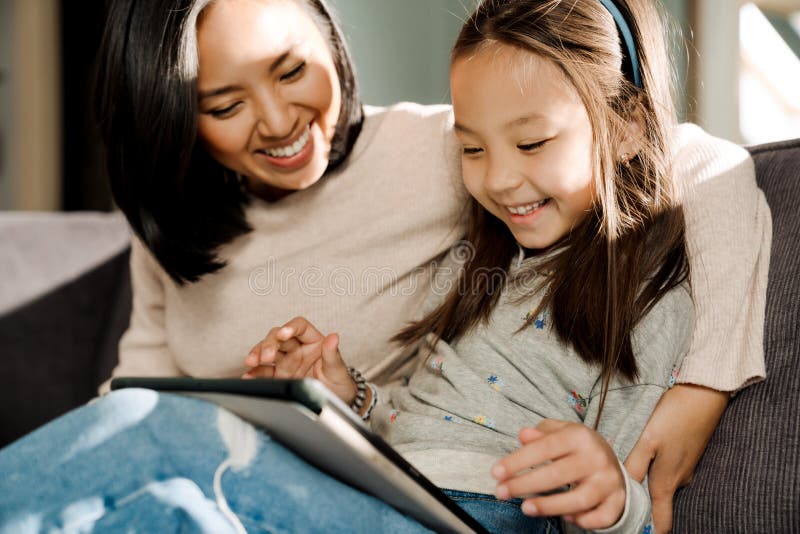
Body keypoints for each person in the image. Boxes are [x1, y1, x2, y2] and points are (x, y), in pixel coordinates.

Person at [0, 0, 769, 532]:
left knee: (160, 439)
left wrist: (708, 380)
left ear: (328, 36)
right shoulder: (174, 224)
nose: (277, 121)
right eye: (226, 104)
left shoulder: (452, 151)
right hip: (309, 479)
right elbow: (124, 405)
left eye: (291, 70)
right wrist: (337, 396)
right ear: (175, 114)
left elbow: (696, 161)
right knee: (157, 488)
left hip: (380, 498)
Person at [240, 0, 705, 531]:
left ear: (627, 129)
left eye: (531, 143)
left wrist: (615, 498)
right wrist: (355, 397)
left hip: (485, 508)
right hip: (390, 487)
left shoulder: (648, 300)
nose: (500, 178)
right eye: (472, 148)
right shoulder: (484, 266)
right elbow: (429, 426)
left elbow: (634, 489)